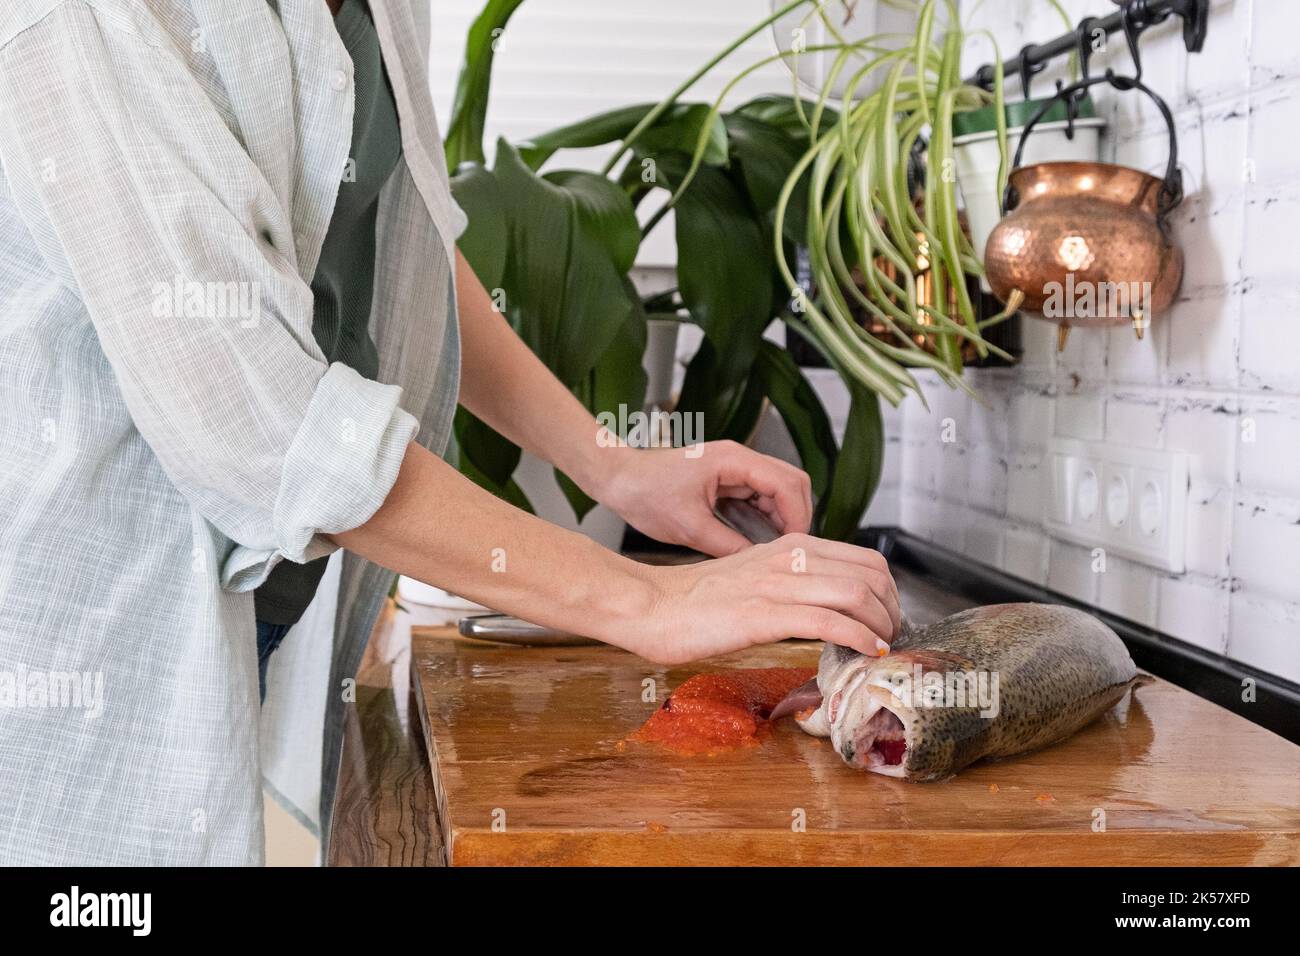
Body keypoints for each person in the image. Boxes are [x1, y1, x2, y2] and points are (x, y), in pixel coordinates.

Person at [0, 0, 900, 865]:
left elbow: (411, 244)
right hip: (96, 619)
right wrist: (653, 601)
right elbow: (268, 427)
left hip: (267, 589)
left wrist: (613, 465)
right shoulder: (83, 15)